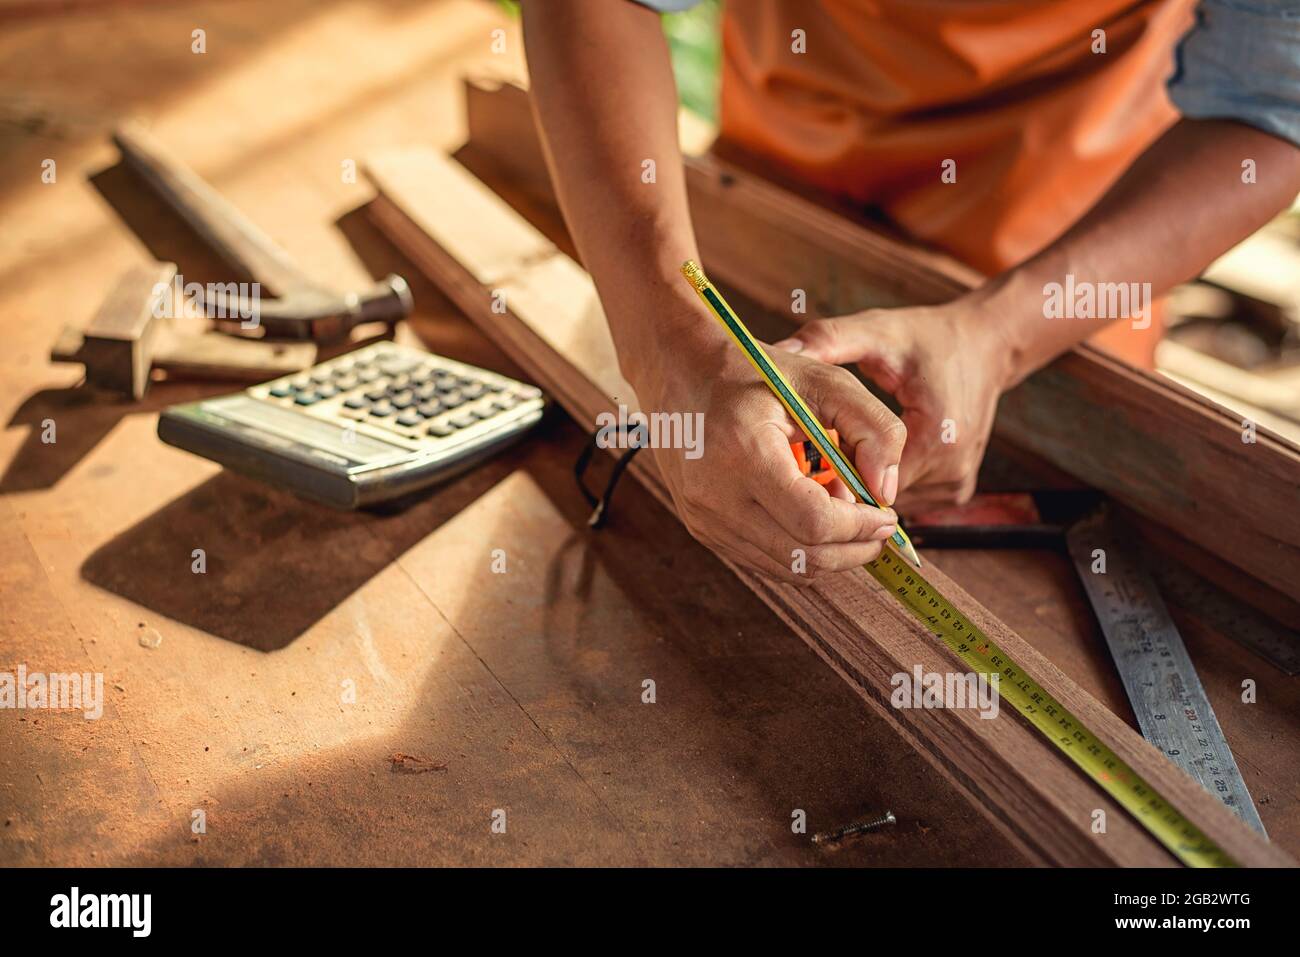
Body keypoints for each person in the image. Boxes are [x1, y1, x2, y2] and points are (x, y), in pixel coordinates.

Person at [520, 0, 1300, 583]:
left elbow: (1272, 108)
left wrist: (995, 337)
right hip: (762, 224)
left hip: (1071, 285)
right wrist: (671, 349)